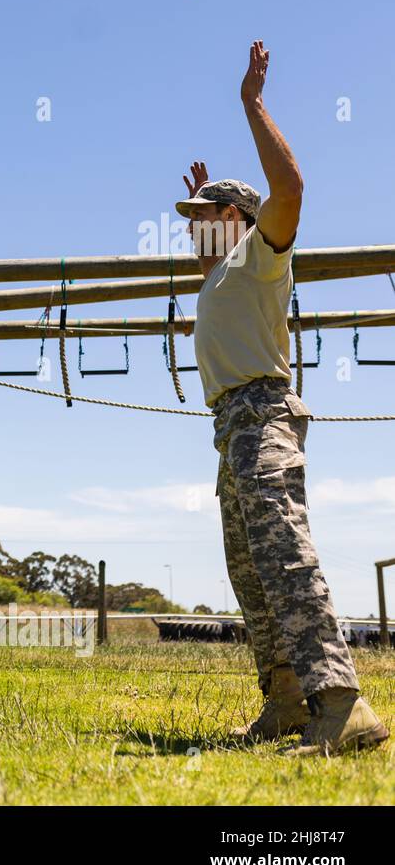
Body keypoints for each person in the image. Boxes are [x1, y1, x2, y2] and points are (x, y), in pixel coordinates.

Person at [177, 41, 386, 756]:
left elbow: (290, 190)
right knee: (251, 568)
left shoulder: (263, 255)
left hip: (263, 414)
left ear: (239, 216)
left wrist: (252, 105)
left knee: (285, 552)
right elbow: (213, 254)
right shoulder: (218, 274)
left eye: (203, 213)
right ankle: (288, 701)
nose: (190, 224)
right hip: (228, 428)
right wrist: (207, 192)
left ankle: (342, 704)